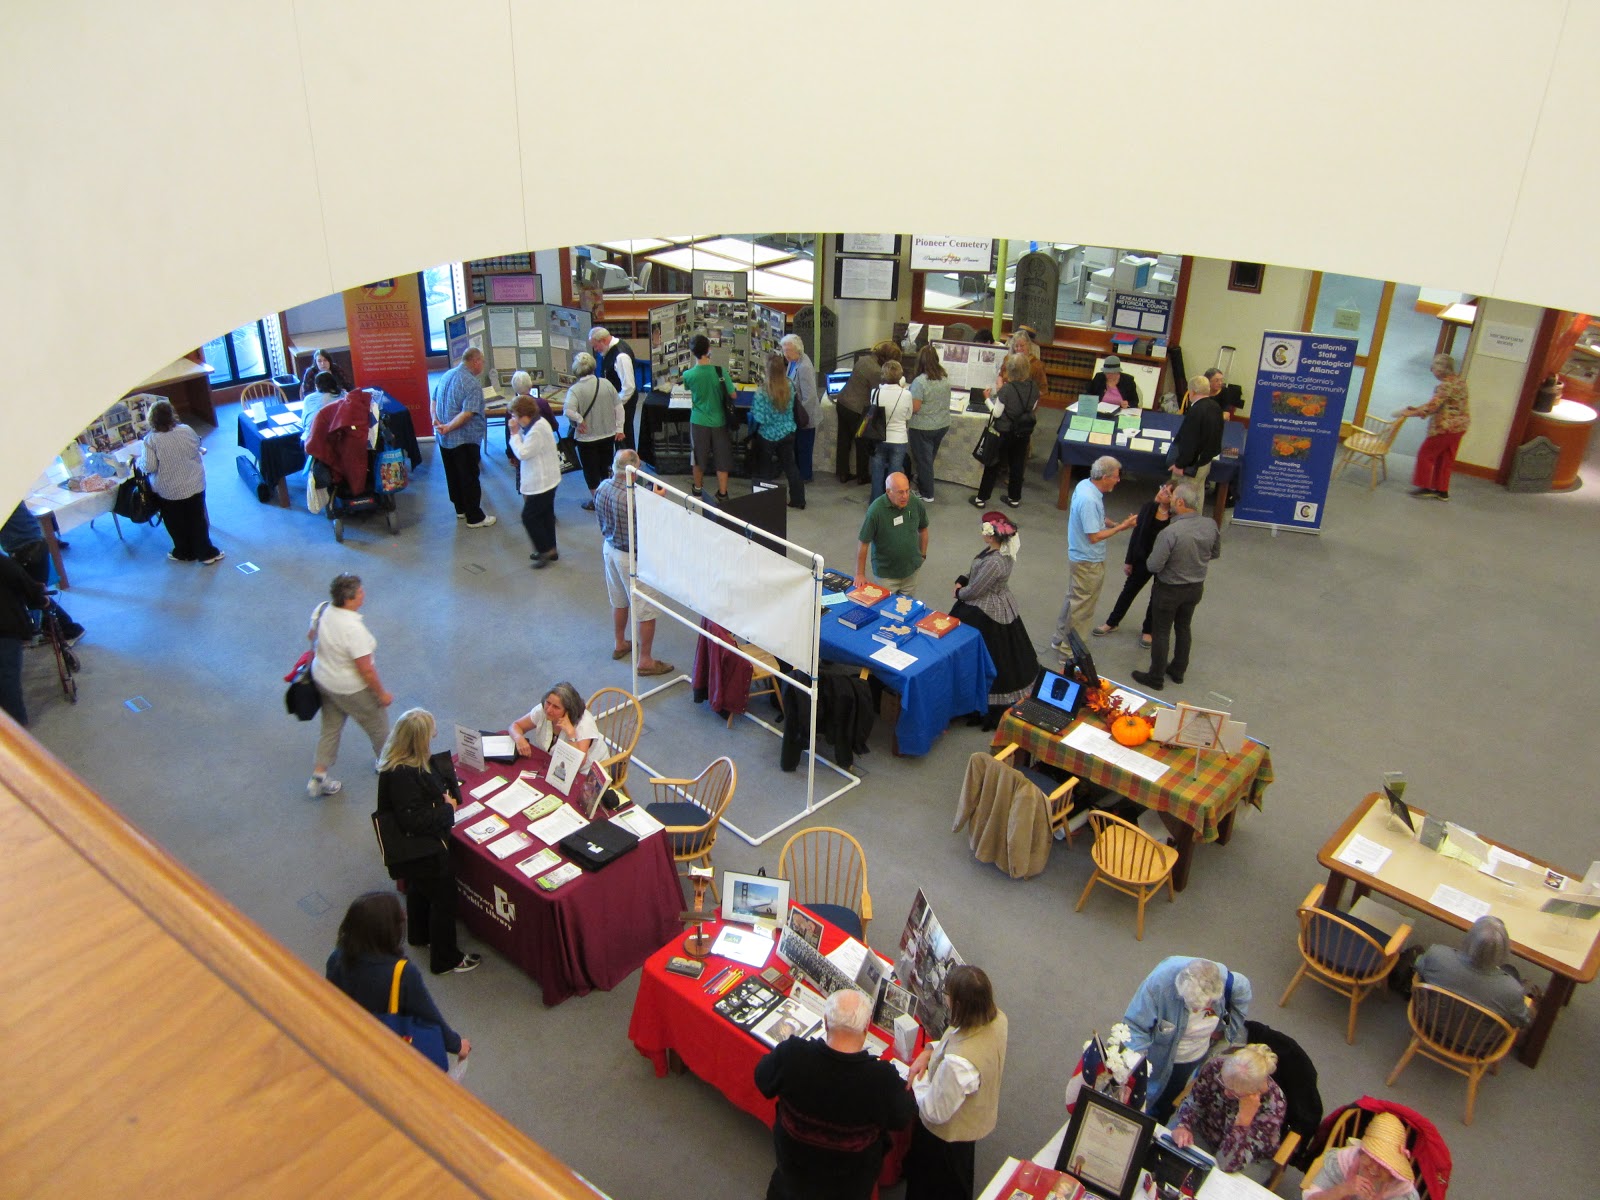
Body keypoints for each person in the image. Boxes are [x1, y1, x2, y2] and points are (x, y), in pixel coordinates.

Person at [752, 988, 916, 1200]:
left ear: (826, 1022)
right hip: (849, 1189)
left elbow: (762, 1079)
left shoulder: (792, 1055)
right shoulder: (881, 1080)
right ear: (866, 1029)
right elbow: (901, 1118)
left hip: (792, 1183)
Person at [374, 709, 480, 975]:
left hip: (413, 856)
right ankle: (446, 959)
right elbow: (413, 821)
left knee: (419, 890)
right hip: (424, 851)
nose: (434, 734)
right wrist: (448, 808)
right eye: (430, 732)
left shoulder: (395, 763)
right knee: (443, 900)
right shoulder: (404, 774)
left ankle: (419, 934)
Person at [324, 891, 470, 1062]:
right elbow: (428, 1014)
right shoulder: (402, 973)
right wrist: (457, 1045)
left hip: (352, 1042)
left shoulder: (337, 958)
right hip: (387, 1048)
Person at [903, 965, 1008, 1200]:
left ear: (959, 1004)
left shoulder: (958, 1064)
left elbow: (934, 1111)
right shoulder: (997, 1019)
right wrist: (929, 1051)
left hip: (943, 1141)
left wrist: (918, 1081)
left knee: (934, 1187)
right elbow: (955, 1035)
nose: (945, 999)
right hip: (971, 1117)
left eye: (948, 995)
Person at [1123, 956, 1253, 1121]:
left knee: (1168, 1101)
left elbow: (1241, 1003)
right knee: (1143, 1099)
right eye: (1192, 1007)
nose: (1198, 1011)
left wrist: (1225, 1031)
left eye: (1205, 1006)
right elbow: (1134, 1027)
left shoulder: (1232, 983)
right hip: (1157, 1058)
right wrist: (1134, 1071)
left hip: (1192, 1057)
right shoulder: (1158, 984)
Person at [306, 572, 393, 798]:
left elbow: (311, 635)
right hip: (351, 689)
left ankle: (320, 774)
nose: (364, 594)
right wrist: (381, 695)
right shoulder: (353, 630)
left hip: (324, 680)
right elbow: (365, 669)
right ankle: (386, 764)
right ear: (349, 599)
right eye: (360, 592)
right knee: (378, 725)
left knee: (330, 728)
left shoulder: (323, 609)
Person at [1132, 480, 1220, 691]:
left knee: (1161, 631)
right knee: (1183, 627)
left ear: (1180, 502)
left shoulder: (1170, 532)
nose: (1168, 500)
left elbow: (1154, 565)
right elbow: (1215, 553)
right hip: (1195, 587)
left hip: (1169, 589)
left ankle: (1155, 676)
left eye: (1172, 498)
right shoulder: (1210, 525)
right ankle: (1178, 670)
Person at [594, 449, 676, 676]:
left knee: (619, 600)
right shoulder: (637, 500)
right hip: (634, 560)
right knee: (646, 610)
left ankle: (620, 643)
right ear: (634, 470)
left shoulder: (602, 487)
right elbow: (653, 528)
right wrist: (656, 502)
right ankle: (646, 661)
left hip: (610, 549)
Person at [950, 511, 1035, 731]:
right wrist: (964, 579)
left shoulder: (996, 562)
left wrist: (959, 592)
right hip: (996, 598)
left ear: (991, 534)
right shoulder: (998, 552)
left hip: (986, 610)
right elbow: (976, 576)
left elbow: (977, 590)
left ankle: (979, 702)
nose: (981, 532)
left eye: (983, 529)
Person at [1051, 456, 1136, 655]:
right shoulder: (1089, 499)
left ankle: (1059, 638)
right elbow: (1095, 536)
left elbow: (1095, 519)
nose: (1118, 480)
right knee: (1083, 609)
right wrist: (1123, 527)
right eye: (1116, 477)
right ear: (1105, 477)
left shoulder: (1086, 486)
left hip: (1079, 556)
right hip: (1087, 561)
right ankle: (1070, 654)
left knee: (1073, 599)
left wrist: (1113, 523)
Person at [1170, 1044, 1286, 1174]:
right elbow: (1195, 1101)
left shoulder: (1273, 1105)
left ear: (1255, 1091)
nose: (1226, 1093)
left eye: (1234, 1093)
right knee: (1169, 1154)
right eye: (1223, 1083)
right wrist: (1183, 1125)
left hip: (1248, 1158)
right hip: (1204, 1133)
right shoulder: (1216, 1066)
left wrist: (1243, 1120)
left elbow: (1228, 1164)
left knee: (1215, 1184)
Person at [1413, 915, 1533, 1030]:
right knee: (1511, 971)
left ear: (1469, 939)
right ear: (1504, 949)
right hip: (1476, 1047)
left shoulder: (1437, 954)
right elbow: (1522, 1021)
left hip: (1427, 1024)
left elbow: (1418, 968)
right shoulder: (1512, 990)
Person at [141, 399, 223, 565]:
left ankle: (184, 552)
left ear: (152, 420)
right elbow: (196, 445)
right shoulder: (186, 430)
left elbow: (149, 467)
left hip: (169, 490)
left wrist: (138, 462)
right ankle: (206, 552)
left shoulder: (150, 440)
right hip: (194, 483)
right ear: (172, 415)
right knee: (197, 518)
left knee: (175, 522)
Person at [1092, 479, 1172, 648]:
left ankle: (1148, 630)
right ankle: (1112, 622)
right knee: (1128, 591)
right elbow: (1136, 536)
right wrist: (1129, 561)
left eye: (1168, 492)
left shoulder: (1175, 518)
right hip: (1143, 559)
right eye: (1163, 487)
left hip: (1164, 563)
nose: (1162, 492)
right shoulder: (1148, 508)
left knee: (1157, 597)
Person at [431, 346, 495, 527]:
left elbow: (433, 399)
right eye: (482, 361)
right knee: (469, 477)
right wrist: (448, 427)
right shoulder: (472, 384)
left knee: (453, 475)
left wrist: (436, 421)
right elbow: (468, 413)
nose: (482, 365)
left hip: (445, 440)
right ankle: (475, 517)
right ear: (475, 361)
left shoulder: (446, 375)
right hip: (464, 440)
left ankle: (460, 509)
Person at [1, 504, 83, 644]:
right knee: (32, 595)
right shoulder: (9, 493)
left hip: (28, 552)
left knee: (34, 596)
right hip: (33, 547)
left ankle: (70, 630)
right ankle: (45, 629)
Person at [970, 353, 1040, 511]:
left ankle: (981, 498)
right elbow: (1033, 407)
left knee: (993, 464)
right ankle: (1014, 498)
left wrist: (986, 398)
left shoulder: (1007, 389)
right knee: (1017, 464)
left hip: (1004, 432)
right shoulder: (1033, 387)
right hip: (1023, 432)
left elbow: (996, 413)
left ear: (1010, 370)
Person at [1397, 353, 1470, 501]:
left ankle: (1425, 487)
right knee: (1445, 458)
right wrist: (1416, 408)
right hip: (1460, 426)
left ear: (1444, 369)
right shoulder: (1459, 381)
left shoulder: (1445, 385)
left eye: (1435, 366)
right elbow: (1442, 404)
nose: (1432, 369)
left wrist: (1410, 413)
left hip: (1445, 427)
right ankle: (1442, 491)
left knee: (1426, 454)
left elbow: (1432, 407)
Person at [1302, 1111, 1418, 1200]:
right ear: (1361, 1151)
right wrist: (1343, 1189)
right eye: (1371, 1157)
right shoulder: (1342, 1162)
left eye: (1384, 1164)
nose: (1374, 1168)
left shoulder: (1402, 1192)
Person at [566, 350, 624, 510]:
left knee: (591, 471)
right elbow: (619, 407)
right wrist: (619, 428)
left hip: (587, 438)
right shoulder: (606, 383)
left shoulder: (575, 390)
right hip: (608, 433)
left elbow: (568, 410)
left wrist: (579, 419)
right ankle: (608, 497)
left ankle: (598, 501)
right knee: (606, 467)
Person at [835, 341, 898, 486]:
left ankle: (842, 473)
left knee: (843, 441)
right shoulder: (877, 371)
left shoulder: (863, 360)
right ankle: (862, 476)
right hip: (857, 410)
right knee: (862, 443)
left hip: (843, 402)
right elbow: (879, 391)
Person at [854, 471, 927, 595]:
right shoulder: (875, 511)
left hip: (911, 572)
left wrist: (922, 555)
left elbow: (923, 529)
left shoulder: (915, 503)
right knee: (885, 609)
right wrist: (860, 574)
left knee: (906, 608)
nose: (905, 496)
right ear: (888, 492)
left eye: (907, 490)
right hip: (886, 576)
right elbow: (864, 542)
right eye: (900, 492)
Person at [683, 334, 736, 502]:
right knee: (722, 457)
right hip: (719, 420)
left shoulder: (688, 375)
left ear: (693, 353)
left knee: (698, 456)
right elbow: (733, 394)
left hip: (698, 420)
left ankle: (698, 488)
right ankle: (722, 492)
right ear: (709, 350)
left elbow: (689, 389)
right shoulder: (720, 372)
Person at [509, 394, 561, 567]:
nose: (514, 419)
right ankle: (551, 549)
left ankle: (544, 550)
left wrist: (514, 434)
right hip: (549, 479)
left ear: (524, 415)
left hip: (542, 482)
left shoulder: (537, 429)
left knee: (529, 516)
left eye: (515, 416)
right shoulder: (539, 423)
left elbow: (523, 453)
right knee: (545, 515)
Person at [751, 352, 806, 509]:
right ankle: (798, 500)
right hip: (788, 432)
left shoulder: (762, 392)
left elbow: (759, 418)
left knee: (764, 469)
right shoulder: (789, 385)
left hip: (767, 436)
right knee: (791, 467)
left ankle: (764, 501)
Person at [509, 682, 604, 771]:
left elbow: (577, 764)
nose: (549, 710)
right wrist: (519, 738)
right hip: (552, 764)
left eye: (556, 707)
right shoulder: (543, 710)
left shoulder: (585, 724)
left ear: (569, 711)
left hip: (586, 771)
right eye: (548, 703)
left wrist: (571, 733)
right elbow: (515, 726)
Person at [0, 551, 46, 726]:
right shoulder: (3, 562)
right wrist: (39, 598)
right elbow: (21, 580)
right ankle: (16, 728)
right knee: (7, 677)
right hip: (5, 627)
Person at [907, 344, 952, 502]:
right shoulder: (944, 378)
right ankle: (922, 483)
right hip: (942, 425)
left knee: (923, 461)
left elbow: (915, 407)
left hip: (922, 427)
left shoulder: (919, 382)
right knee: (928, 458)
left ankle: (927, 494)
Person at [1167, 374, 1224, 495]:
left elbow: (1190, 442)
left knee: (1183, 497)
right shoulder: (1216, 406)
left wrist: (1179, 465)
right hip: (1205, 461)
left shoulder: (1196, 411)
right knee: (1198, 494)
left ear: (1192, 392)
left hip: (1191, 465)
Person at [869, 359, 917, 502]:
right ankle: (892, 503)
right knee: (894, 475)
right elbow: (908, 415)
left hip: (879, 437)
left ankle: (876, 503)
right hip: (899, 439)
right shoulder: (906, 394)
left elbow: (873, 414)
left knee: (877, 473)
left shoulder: (875, 392)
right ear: (900, 376)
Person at [588, 326, 637, 449]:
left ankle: (626, 463)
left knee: (623, 434)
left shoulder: (621, 357)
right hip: (616, 400)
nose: (595, 349)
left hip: (623, 402)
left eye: (595, 346)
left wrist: (615, 405)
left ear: (603, 340)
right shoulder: (610, 350)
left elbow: (629, 387)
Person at [781, 334, 820, 482]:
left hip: (805, 416)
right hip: (796, 413)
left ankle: (804, 476)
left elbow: (809, 397)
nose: (785, 354)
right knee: (798, 447)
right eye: (784, 350)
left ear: (797, 350)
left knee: (804, 448)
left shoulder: (804, 367)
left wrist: (799, 418)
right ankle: (798, 474)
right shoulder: (793, 361)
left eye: (788, 350)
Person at [301, 370, 344, 447]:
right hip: (338, 439)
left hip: (312, 441)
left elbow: (304, 423)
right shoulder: (345, 396)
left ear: (316, 386)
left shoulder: (309, 399)